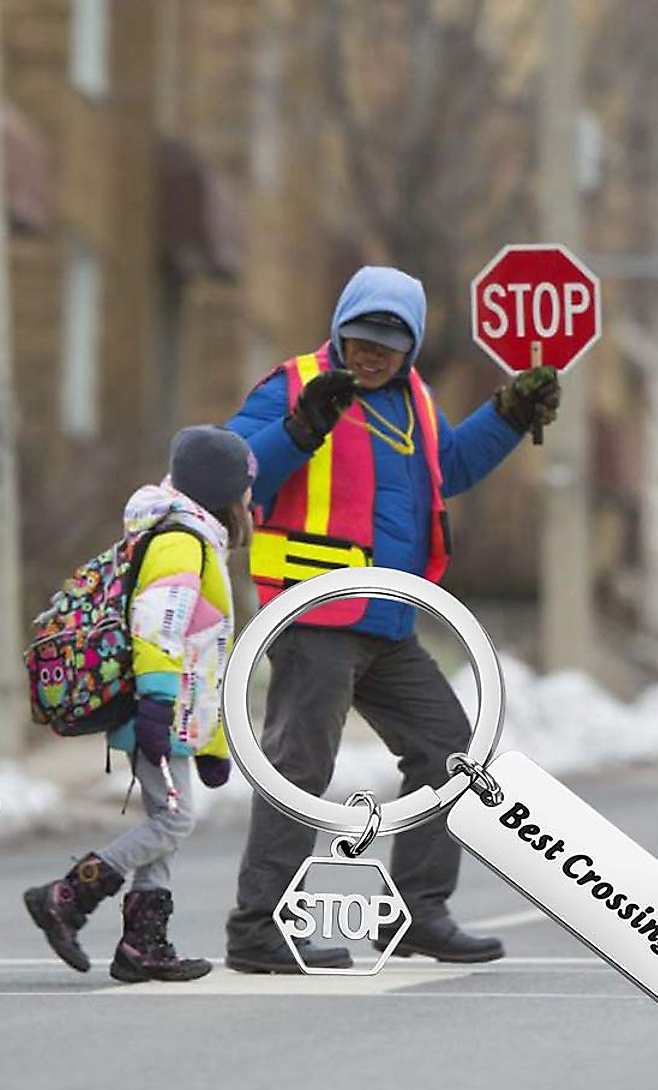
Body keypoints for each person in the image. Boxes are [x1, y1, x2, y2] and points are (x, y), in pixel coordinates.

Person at [224, 265, 560, 973]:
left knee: (450, 752)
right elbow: (235, 469)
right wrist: (299, 427)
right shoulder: (293, 385)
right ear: (340, 330)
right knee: (301, 764)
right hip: (315, 613)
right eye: (360, 339)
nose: (370, 354)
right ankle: (258, 928)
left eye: (387, 343)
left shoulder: (413, 401)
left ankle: (418, 914)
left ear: (411, 347)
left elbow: (450, 471)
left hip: (388, 621)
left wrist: (508, 414)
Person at [24, 425, 255, 984]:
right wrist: (154, 704)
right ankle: (68, 895)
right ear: (222, 488)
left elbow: (208, 654)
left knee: (164, 820)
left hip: (176, 715)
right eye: (246, 487)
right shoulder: (181, 540)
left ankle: (142, 945)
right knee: (176, 820)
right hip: (158, 712)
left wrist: (213, 743)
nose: (252, 498)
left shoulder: (197, 538)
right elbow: (158, 627)